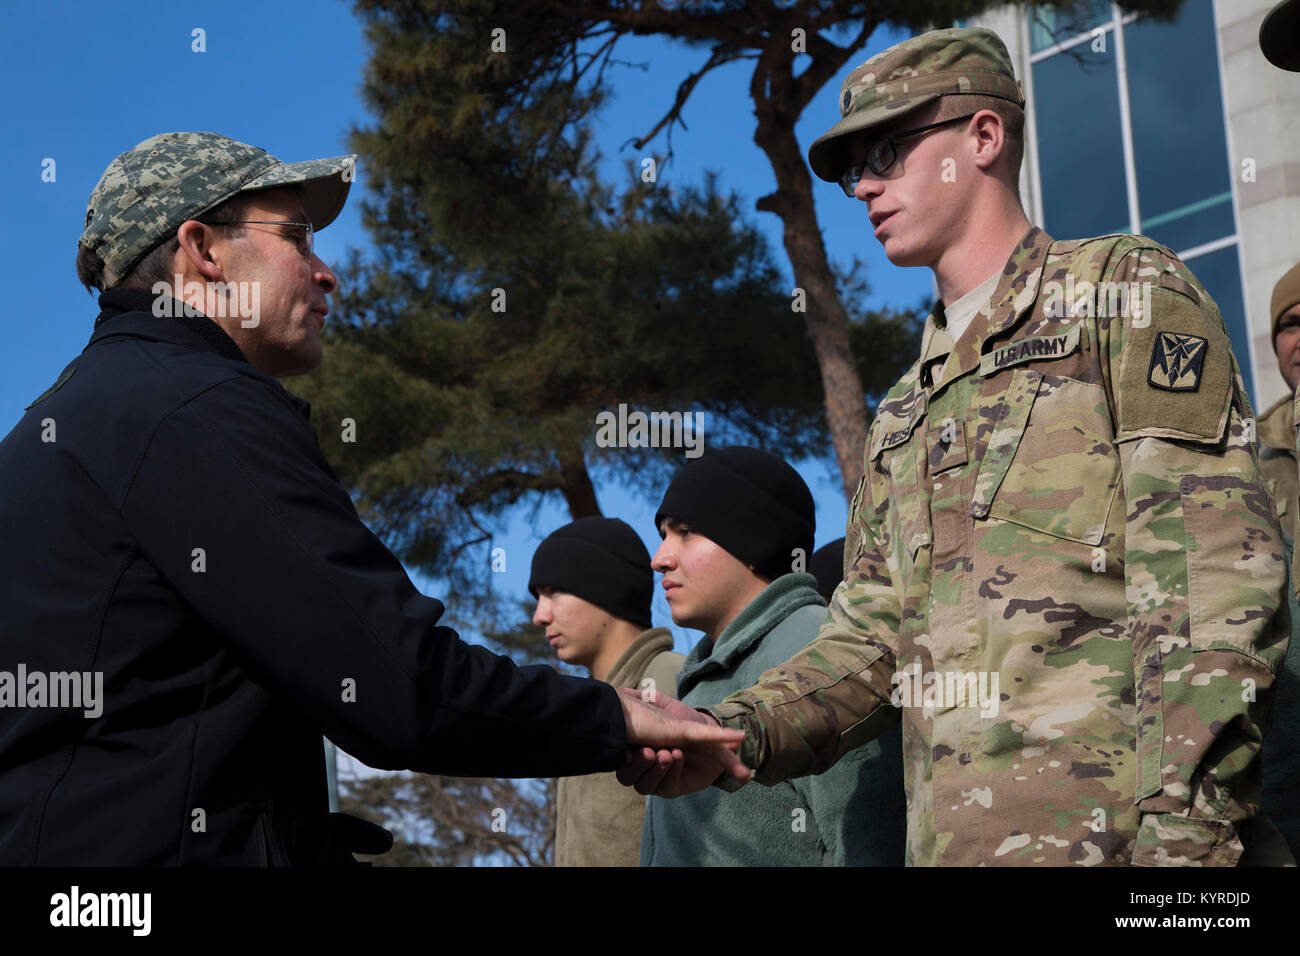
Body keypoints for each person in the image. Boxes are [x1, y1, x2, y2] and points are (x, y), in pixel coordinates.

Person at [622, 28, 1292, 867]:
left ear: (983, 137)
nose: (863, 184)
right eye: (846, 169)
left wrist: (1186, 850)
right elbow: (867, 644)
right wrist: (733, 732)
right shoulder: (903, 410)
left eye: (889, 150)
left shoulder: (1119, 294)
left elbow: (1208, 588)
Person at [0, 131, 742, 866]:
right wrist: (618, 716)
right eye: (297, 237)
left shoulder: (50, 429)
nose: (327, 274)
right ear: (204, 251)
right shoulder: (196, 408)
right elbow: (395, 685)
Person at [639, 447, 904, 866]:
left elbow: (870, 843)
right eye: (663, 535)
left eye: (685, 531)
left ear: (751, 539)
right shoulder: (707, 672)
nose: (660, 559)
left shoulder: (817, 647)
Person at [528, 517, 684, 866]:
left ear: (604, 588)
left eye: (554, 591)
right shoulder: (583, 708)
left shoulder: (672, 682)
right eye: (538, 597)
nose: (540, 614)